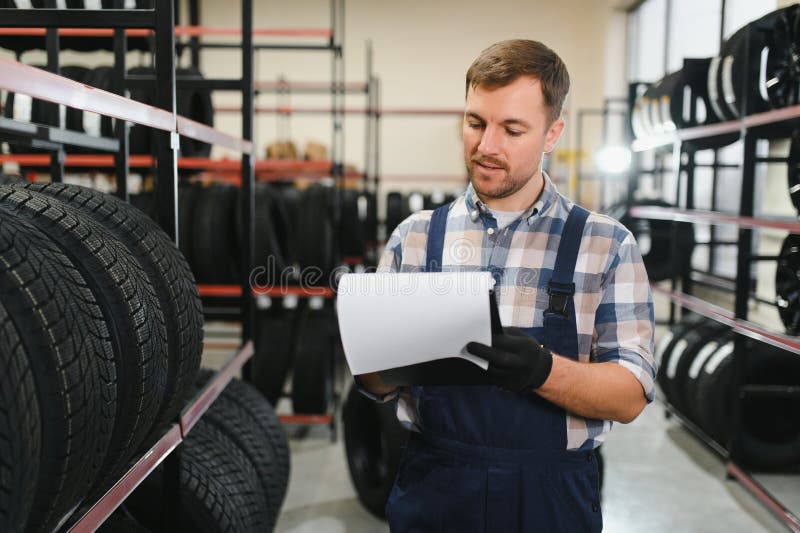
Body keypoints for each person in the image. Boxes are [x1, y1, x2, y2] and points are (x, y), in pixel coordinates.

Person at [356, 39, 655, 532]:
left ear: (552, 133)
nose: (486, 146)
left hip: (549, 498)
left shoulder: (605, 244)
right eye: (475, 123)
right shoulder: (415, 238)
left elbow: (629, 396)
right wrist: (369, 355)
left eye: (512, 129)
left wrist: (541, 369)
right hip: (436, 488)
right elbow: (379, 388)